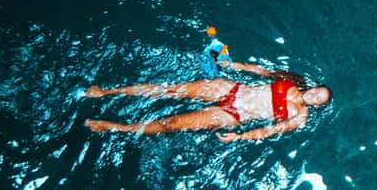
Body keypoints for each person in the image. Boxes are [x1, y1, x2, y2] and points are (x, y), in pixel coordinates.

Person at [83, 60, 331, 141]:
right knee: (171, 90)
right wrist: (234, 64)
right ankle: (105, 92)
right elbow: (261, 72)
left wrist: (240, 136)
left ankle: (115, 127)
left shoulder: (300, 117)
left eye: (319, 98)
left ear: (318, 105)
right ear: (313, 87)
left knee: (173, 124)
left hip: (235, 116)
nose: (315, 95)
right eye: (318, 90)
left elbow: (271, 130)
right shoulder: (292, 80)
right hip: (230, 89)